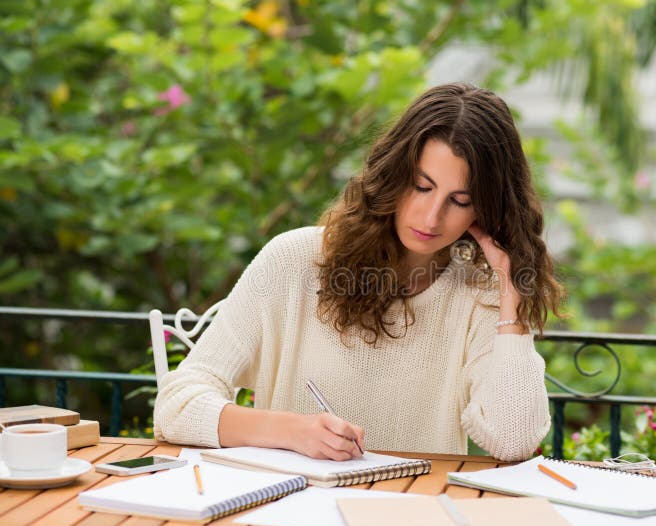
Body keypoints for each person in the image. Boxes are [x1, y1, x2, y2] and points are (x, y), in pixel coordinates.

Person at [153, 82, 563, 462]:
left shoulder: (481, 292)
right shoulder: (295, 260)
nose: (431, 216)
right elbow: (177, 405)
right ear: (393, 174)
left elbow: (513, 440)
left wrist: (511, 290)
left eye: (459, 200)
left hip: (410, 512)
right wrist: (292, 431)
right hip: (293, 510)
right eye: (421, 187)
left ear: (486, 209)